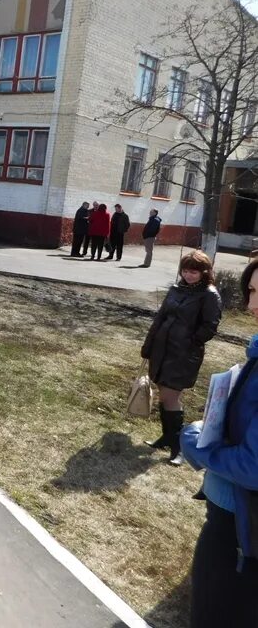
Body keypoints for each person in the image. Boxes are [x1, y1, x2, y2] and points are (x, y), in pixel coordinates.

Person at [181, 257, 258, 626]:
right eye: (252, 291)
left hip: (240, 528)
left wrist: (200, 446)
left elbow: (253, 466)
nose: (252, 305)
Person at [142, 250, 222, 465]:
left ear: (204, 272)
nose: (188, 275)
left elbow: (210, 326)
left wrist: (190, 341)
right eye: (185, 271)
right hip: (162, 349)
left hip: (183, 354)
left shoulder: (209, 294)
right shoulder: (176, 289)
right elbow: (160, 318)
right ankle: (167, 437)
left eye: (193, 272)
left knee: (171, 397)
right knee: (163, 395)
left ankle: (179, 446)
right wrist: (148, 345)